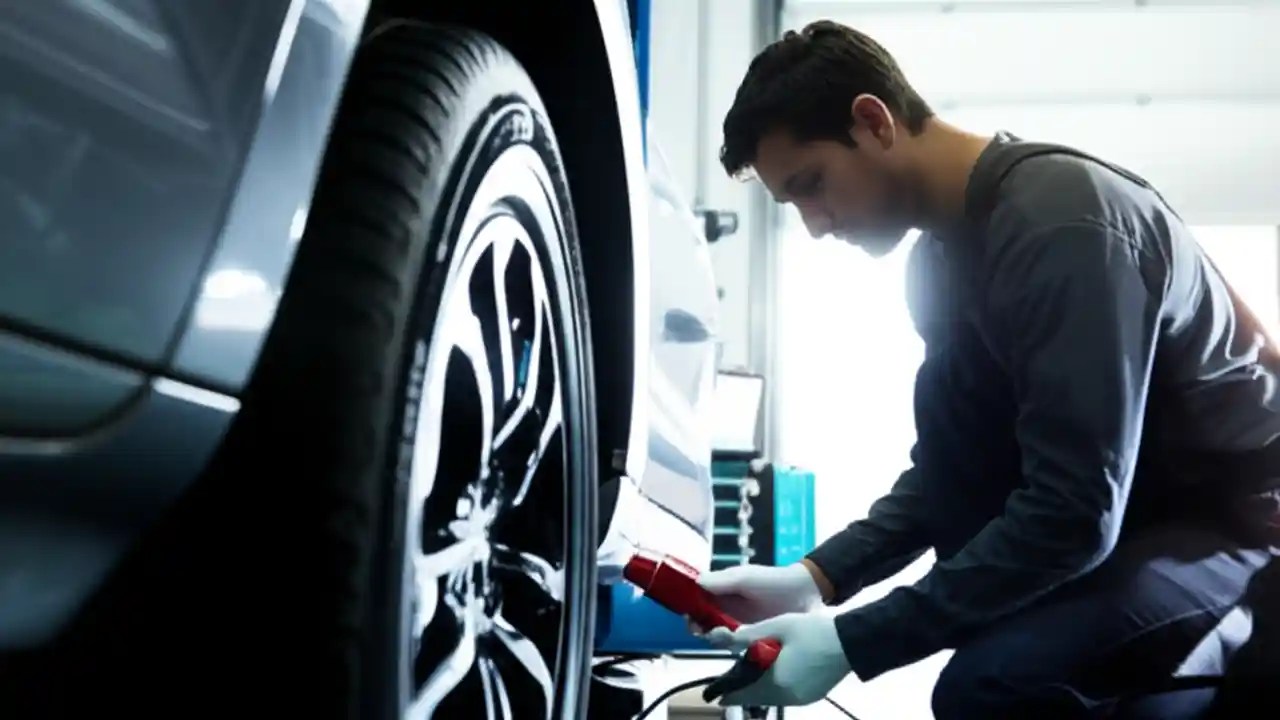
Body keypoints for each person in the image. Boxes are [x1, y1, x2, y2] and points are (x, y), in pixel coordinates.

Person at [693, 18, 1280, 719]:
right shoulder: (940, 261)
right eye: (794, 205)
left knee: (997, 685)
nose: (816, 224)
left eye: (813, 185)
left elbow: (1073, 513)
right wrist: (817, 577)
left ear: (873, 121)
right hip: (1137, 539)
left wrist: (852, 642)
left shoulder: (1064, 225)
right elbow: (951, 470)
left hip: (1235, 541)